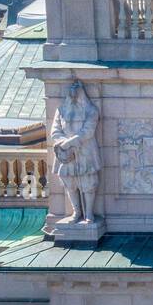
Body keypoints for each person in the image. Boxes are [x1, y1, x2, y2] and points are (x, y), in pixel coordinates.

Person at [50, 80, 101, 224]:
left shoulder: (91, 110)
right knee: (69, 183)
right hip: (65, 154)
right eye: (71, 92)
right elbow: (55, 131)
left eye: (76, 92)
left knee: (88, 183)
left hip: (85, 152)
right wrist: (63, 144)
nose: (73, 96)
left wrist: (69, 143)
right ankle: (76, 212)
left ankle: (89, 213)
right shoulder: (61, 110)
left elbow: (88, 131)